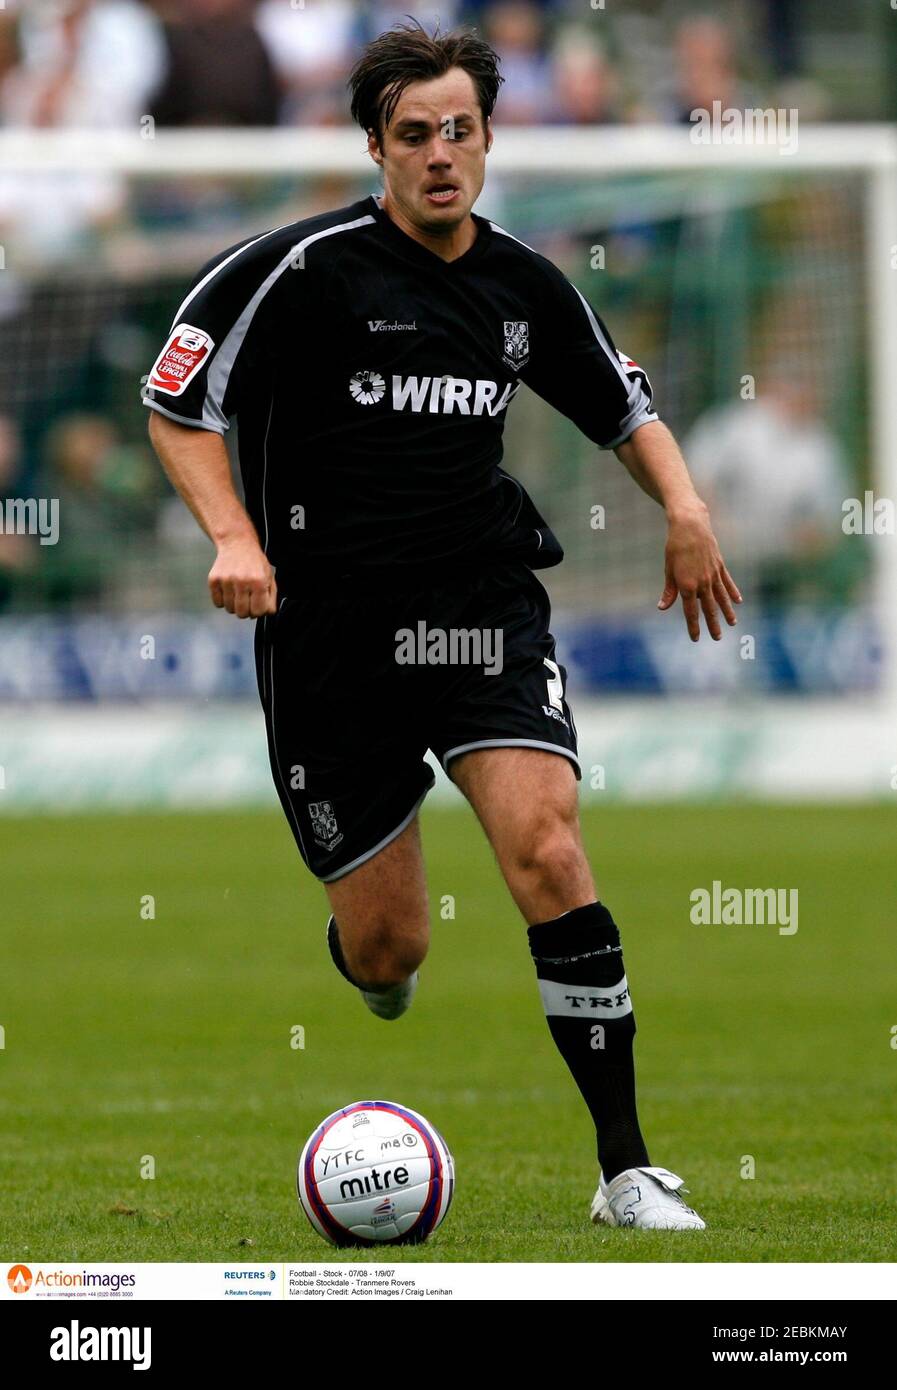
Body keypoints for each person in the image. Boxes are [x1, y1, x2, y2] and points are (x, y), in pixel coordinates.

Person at [145, 20, 740, 1233]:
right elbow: (174, 402)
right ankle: (370, 962)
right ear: (374, 145)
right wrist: (235, 537)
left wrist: (683, 506)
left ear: (487, 137)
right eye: (413, 134)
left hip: (480, 616)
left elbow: (627, 412)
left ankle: (626, 1168)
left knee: (548, 850)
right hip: (329, 641)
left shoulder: (526, 284)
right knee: (389, 949)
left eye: (458, 131)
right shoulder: (295, 270)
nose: (438, 155)